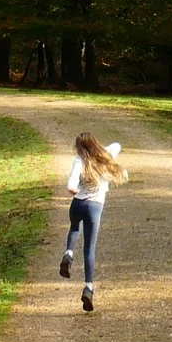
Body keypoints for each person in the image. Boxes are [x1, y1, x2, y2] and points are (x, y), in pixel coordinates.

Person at [59, 133, 123, 312]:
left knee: (73, 228)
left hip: (78, 203)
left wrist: (75, 190)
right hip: (95, 207)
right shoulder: (104, 157)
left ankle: (69, 253)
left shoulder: (79, 160)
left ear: (79, 147)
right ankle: (88, 287)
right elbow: (117, 144)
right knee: (89, 248)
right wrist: (103, 151)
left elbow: (71, 185)